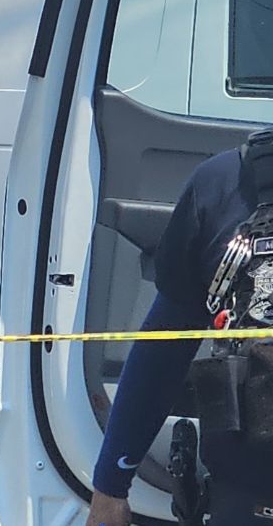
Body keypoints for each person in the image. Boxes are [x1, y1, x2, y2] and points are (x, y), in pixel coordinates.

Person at [87, 132, 273, 526]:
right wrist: (110, 487)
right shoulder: (223, 182)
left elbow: (162, 351)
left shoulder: (224, 180)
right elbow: (163, 349)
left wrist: (110, 486)